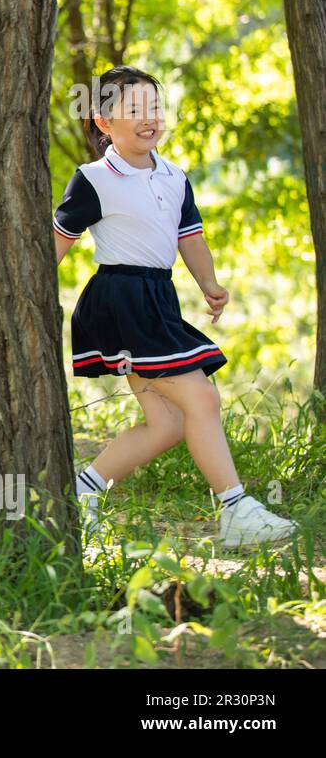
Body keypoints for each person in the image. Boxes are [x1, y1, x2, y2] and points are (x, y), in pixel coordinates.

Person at [53, 65, 296, 548]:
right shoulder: (93, 179)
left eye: (156, 108)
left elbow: (191, 237)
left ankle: (82, 491)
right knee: (202, 398)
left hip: (157, 298)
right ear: (103, 122)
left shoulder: (174, 176)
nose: (150, 119)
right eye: (135, 110)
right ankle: (235, 509)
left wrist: (209, 283)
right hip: (120, 300)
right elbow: (55, 245)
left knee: (170, 422)